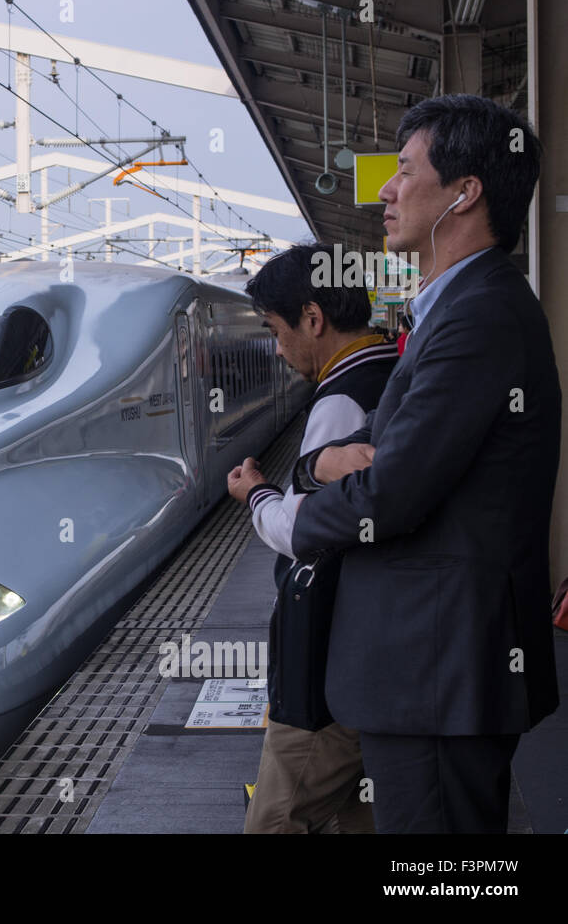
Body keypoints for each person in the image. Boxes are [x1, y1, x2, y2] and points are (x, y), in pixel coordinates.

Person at [289, 94, 560, 833]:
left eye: (405, 170)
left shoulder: (479, 315)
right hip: (431, 669)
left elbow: (390, 492)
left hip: (437, 671)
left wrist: (295, 514)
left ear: (464, 193)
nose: (385, 188)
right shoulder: (457, 307)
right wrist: (325, 466)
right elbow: (369, 449)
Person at [227, 243, 397, 833]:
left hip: (328, 656)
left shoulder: (342, 398)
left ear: (313, 318)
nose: (276, 348)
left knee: (274, 820)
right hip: (372, 652)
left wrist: (255, 493)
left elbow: (301, 531)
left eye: (276, 330)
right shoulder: (389, 374)